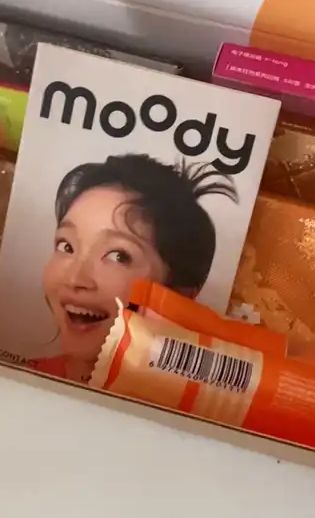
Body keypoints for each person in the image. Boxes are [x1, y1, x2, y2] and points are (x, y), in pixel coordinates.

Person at [29, 153, 237, 384]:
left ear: (180, 296)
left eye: (118, 256)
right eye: (66, 246)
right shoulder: (23, 380)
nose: (75, 278)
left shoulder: (188, 405)